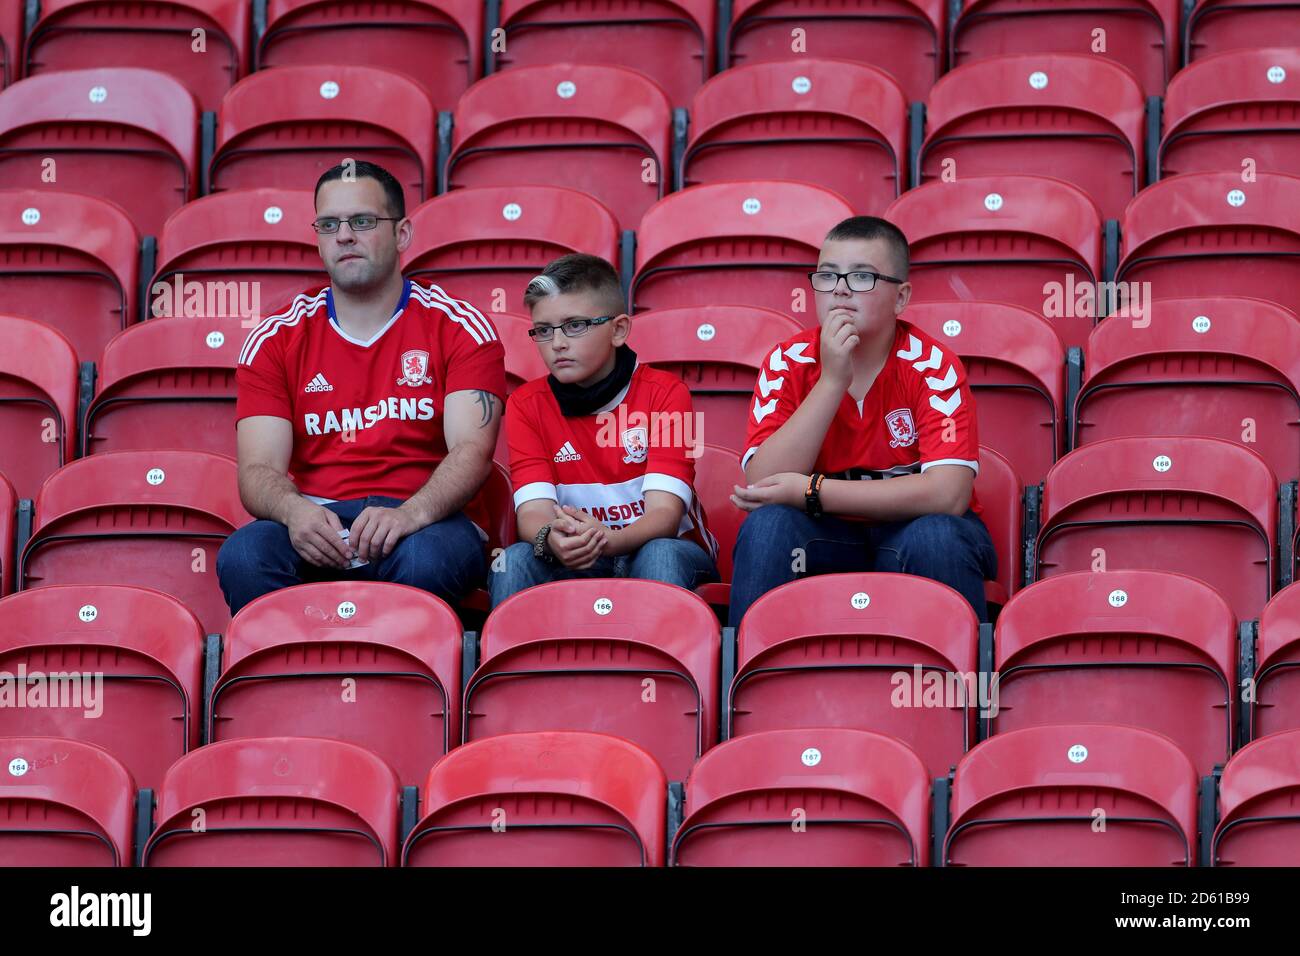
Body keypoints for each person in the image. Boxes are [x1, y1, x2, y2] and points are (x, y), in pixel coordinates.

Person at [217, 160, 505, 615]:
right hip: (321, 520)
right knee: (245, 557)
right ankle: (296, 681)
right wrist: (296, 514)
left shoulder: (459, 326)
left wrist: (409, 514)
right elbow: (256, 471)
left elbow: (473, 451)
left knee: (423, 562)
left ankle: (403, 681)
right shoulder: (275, 337)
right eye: (329, 224)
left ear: (403, 234)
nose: (344, 235)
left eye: (363, 221)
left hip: (427, 522)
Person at [728, 215, 998, 626]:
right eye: (828, 276)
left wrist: (813, 491)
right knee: (768, 529)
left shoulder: (933, 366)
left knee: (938, 535)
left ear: (901, 297)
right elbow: (763, 482)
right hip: (824, 537)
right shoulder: (787, 363)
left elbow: (948, 495)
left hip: (912, 534)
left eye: (861, 277)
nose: (839, 289)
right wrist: (833, 380)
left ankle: (953, 688)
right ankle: (753, 683)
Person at [488, 253, 718, 608]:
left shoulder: (669, 393)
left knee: (660, 556)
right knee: (514, 561)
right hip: (580, 556)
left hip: (662, 549)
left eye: (575, 325)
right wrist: (550, 538)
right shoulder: (524, 404)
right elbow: (532, 515)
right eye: (544, 330)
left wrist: (607, 539)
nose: (558, 343)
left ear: (619, 330)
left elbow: (665, 516)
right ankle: (526, 664)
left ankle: (657, 663)